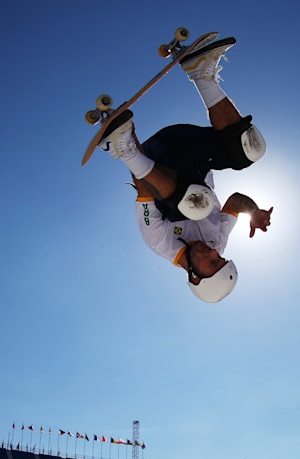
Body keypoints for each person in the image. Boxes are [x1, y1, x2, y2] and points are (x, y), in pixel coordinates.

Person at [99, 36, 272, 303]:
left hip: (156, 158)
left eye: (211, 264)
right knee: (249, 150)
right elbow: (236, 201)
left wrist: (128, 142)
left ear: (194, 276)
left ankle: (122, 150)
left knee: (197, 204)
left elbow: (144, 191)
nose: (213, 253)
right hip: (189, 149)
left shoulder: (160, 243)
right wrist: (253, 211)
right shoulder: (218, 242)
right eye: (220, 259)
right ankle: (201, 72)